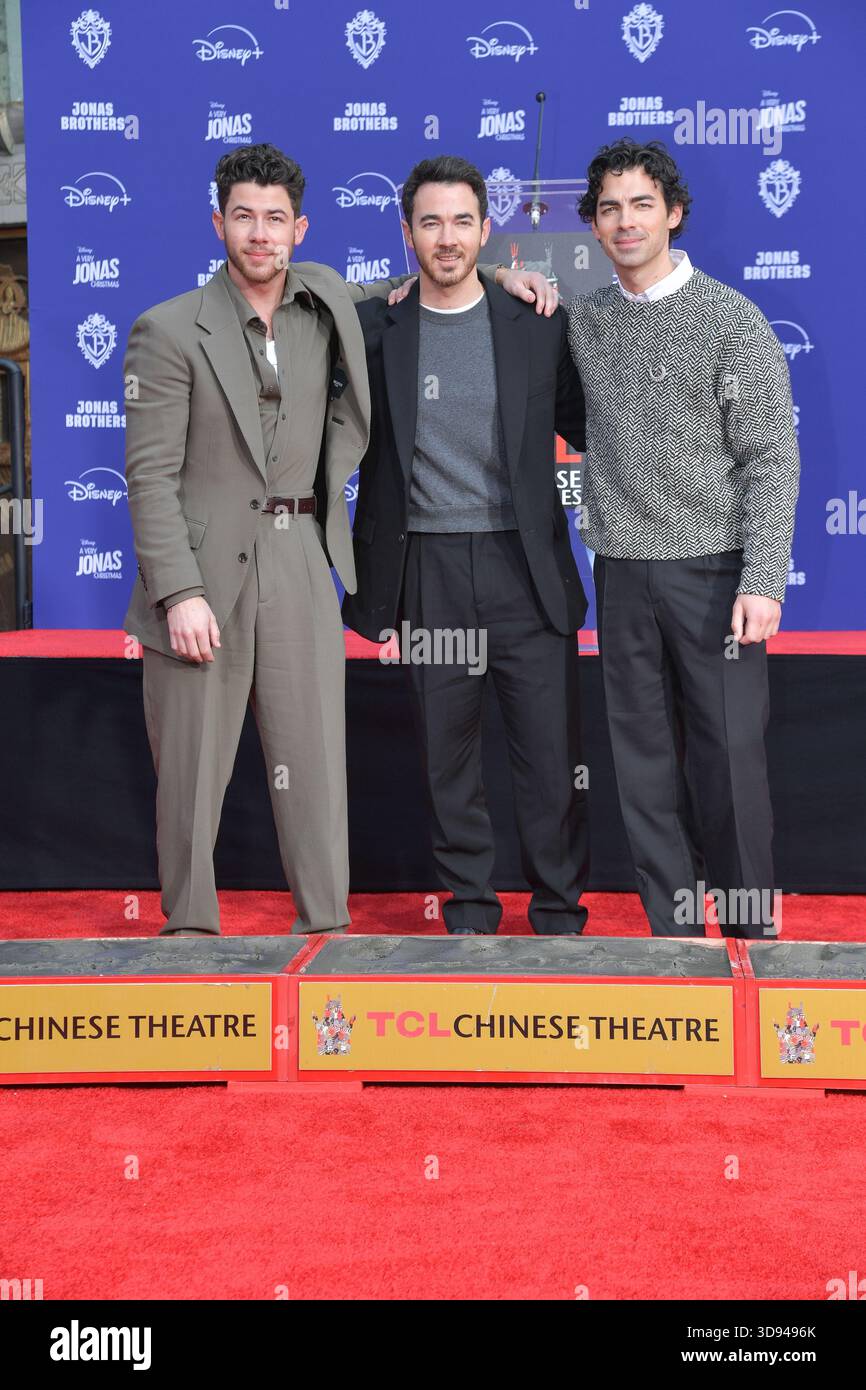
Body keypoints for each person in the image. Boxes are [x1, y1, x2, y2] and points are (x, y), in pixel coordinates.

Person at [124, 143, 548, 938]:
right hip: (202, 572)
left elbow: (424, 279)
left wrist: (500, 278)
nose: (260, 233)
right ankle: (188, 932)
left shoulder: (325, 302)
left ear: (300, 227)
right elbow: (149, 479)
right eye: (244, 216)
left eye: (276, 219)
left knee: (314, 764)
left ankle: (325, 930)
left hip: (300, 560)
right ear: (218, 223)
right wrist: (177, 592)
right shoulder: (168, 330)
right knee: (190, 772)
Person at [342, 156, 589, 936]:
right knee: (448, 762)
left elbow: (585, 427)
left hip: (526, 567)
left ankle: (558, 916)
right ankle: (470, 916)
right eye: (429, 222)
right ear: (406, 231)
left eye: (461, 223)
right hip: (428, 571)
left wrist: (511, 280)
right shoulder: (375, 324)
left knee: (549, 761)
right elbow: (295, 301)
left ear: (486, 231)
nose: (445, 238)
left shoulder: (537, 320)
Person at [566, 139, 800, 938]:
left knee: (729, 760)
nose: (624, 222)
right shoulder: (586, 321)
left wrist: (763, 580)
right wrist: (510, 278)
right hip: (622, 573)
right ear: (593, 226)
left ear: (672, 212)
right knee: (641, 768)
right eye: (608, 208)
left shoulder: (732, 319)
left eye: (640, 204)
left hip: (716, 572)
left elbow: (772, 456)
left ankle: (748, 939)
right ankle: (673, 944)